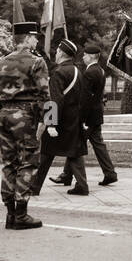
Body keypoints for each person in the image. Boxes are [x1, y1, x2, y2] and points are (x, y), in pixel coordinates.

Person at [0, 21, 48, 230]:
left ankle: (10, 213)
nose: (37, 40)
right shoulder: (36, 62)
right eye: (35, 37)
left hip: (4, 114)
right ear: (28, 38)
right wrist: (47, 121)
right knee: (28, 162)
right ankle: (21, 213)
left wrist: (1, 113)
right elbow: (45, 95)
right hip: (26, 115)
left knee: (9, 163)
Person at [50, 44, 117, 187]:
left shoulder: (89, 73)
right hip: (96, 114)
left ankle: (68, 176)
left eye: (85, 55)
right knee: (95, 145)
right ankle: (108, 173)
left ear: (91, 56)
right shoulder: (100, 70)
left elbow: (85, 98)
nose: (83, 57)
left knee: (75, 145)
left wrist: (82, 118)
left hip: (89, 117)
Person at [31, 39, 87, 195]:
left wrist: (50, 124)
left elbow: (54, 100)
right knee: (74, 153)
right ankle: (82, 185)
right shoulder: (77, 71)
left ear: (62, 53)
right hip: (74, 119)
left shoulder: (58, 72)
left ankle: (35, 187)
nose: (56, 54)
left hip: (60, 120)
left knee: (46, 154)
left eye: (57, 52)